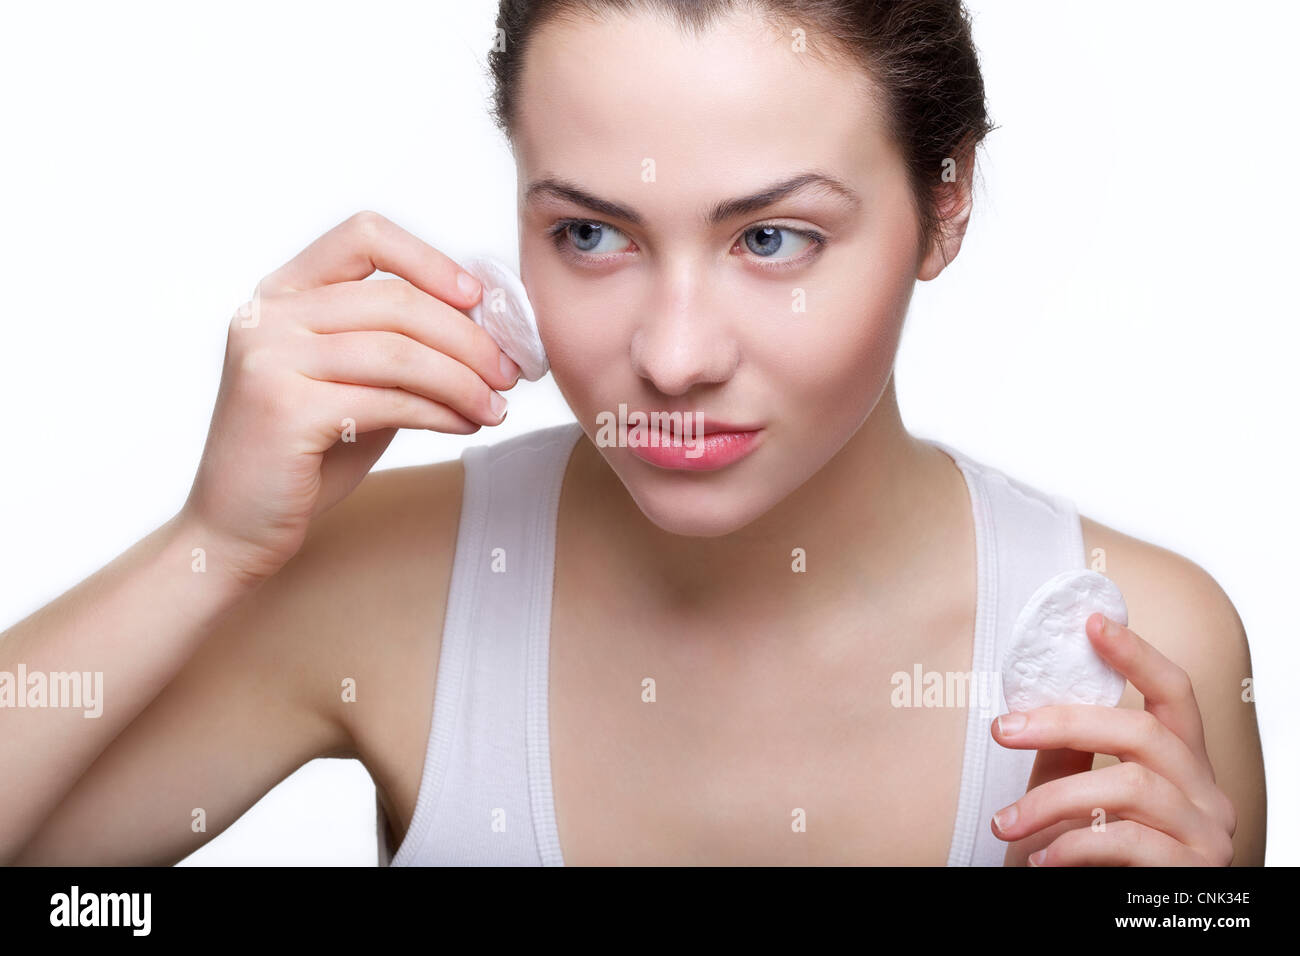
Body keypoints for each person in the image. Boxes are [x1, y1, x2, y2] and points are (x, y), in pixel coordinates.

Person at [1, 0, 1265, 866]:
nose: (670, 355)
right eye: (590, 234)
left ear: (947, 204)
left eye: (771, 238)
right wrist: (210, 544)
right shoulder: (377, 576)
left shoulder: (1137, 649)